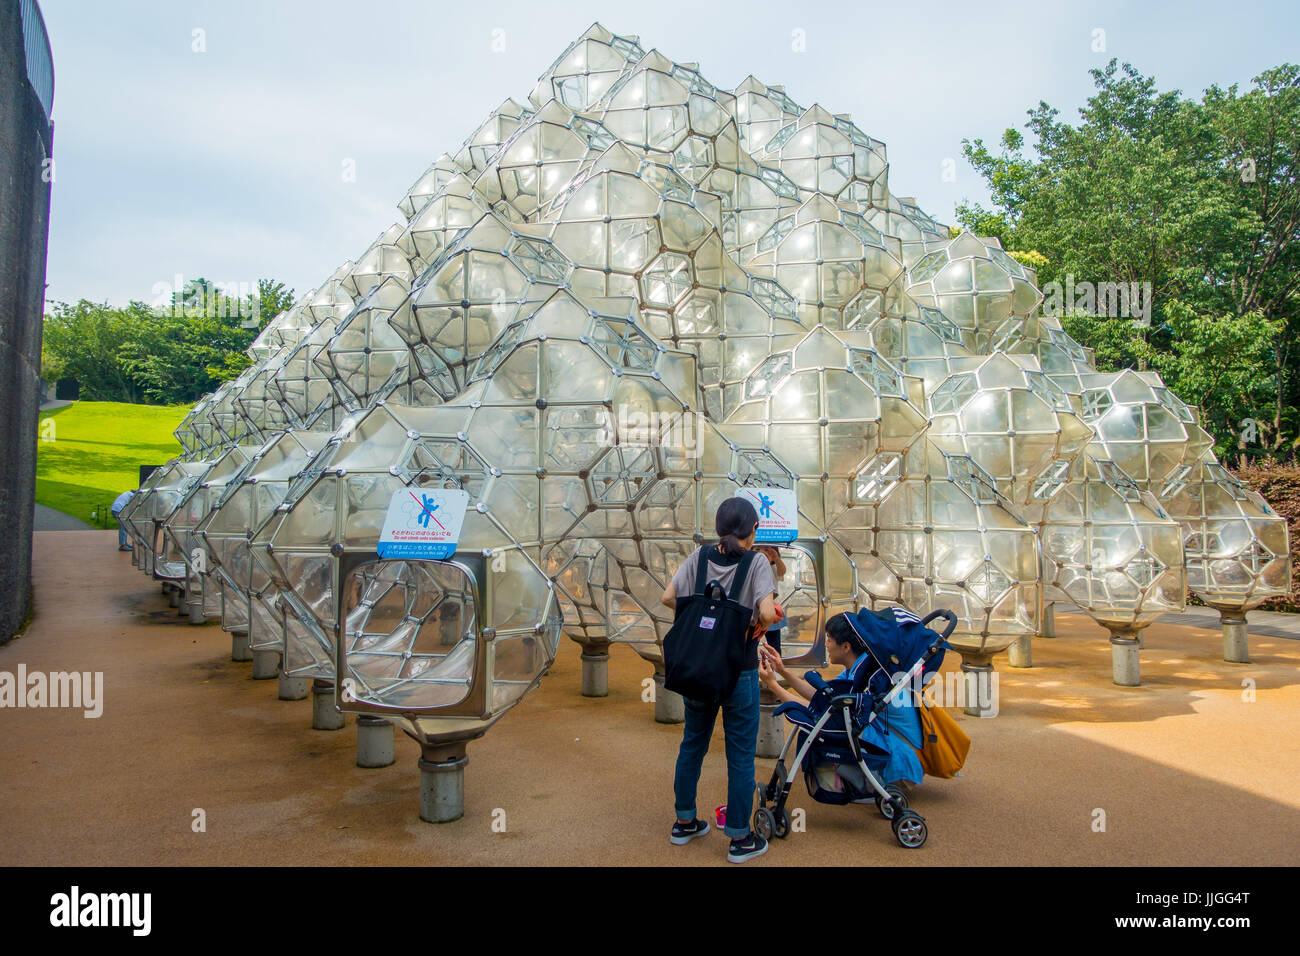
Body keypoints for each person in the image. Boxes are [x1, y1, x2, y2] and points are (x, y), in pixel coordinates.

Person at [662, 496, 777, 863]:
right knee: (740, 754)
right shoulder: (758, 562)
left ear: (718, 528)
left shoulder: (698, 558)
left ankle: (684, 822)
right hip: (738, 671)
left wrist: (703, 622)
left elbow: (669, 597)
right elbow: (764, 611)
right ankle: (740, 839)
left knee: (692, 742)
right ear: (753, 531)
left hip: (698, 670)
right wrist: (763, 621)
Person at [758, 611, 924, 791]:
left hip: (900, 762)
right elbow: (819, 696)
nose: (826, 644)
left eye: (829, 639)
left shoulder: (866, 676)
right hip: (893, 746)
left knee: (823, 749)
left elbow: (823, 714)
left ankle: (871, 783)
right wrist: (782, 671)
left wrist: (773, 685)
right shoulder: (863, 666)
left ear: (845, 647)